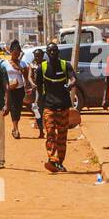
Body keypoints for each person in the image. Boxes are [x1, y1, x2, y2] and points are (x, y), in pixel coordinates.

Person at [36, 43, 76, 173]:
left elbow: (73, 78)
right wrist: (40, 104)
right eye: (50, 51)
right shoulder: (42, 68)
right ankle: (52, 159)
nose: (52, 53)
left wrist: (70, 84)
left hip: (63, 106)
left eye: (54, 50)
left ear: (58, 52)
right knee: (50, 134)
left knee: (62, 136)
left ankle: (60, 161)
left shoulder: (65, 65)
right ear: (47, 53)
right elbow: (39, 86)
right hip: (49, 107)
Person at [4, 40, 31, 139]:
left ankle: (15, 126)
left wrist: (19, 67)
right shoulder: (5, 63)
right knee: (13, 108)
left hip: (20, 89)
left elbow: (26, 76)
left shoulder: (22, 63)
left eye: (18, 53)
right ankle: (15, 129)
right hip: (9, 89)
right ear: (11, 52)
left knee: (18, 108)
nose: (16, 55)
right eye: (15, 53)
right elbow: (3, 76)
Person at [30, 47, 46, 138]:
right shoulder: (32, 64)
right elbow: (30, 76)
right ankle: (41, 131)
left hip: (46, 89)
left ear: (43, 56)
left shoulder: (46, 64)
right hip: (36, 90)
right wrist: (33, 84)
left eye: (39, 56)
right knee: (37, 111)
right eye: (36, 56)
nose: (37, 58)